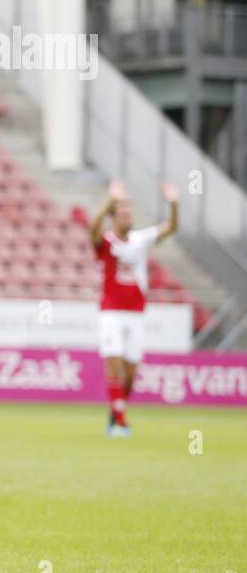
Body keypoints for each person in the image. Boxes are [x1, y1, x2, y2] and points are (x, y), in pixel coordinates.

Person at [89, 178, 179, 438]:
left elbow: (172, 227)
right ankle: (121, 423)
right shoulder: (106, 242)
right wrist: (110, 199)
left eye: (130, 212)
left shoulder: (140, 240)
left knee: (130, 373)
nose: (128, 216)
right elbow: (92, 229)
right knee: (114, 363)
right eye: (123, 212)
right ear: (114, 217)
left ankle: (115, 412)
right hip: (111, 312)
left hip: (136, 314)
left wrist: (173, 202)